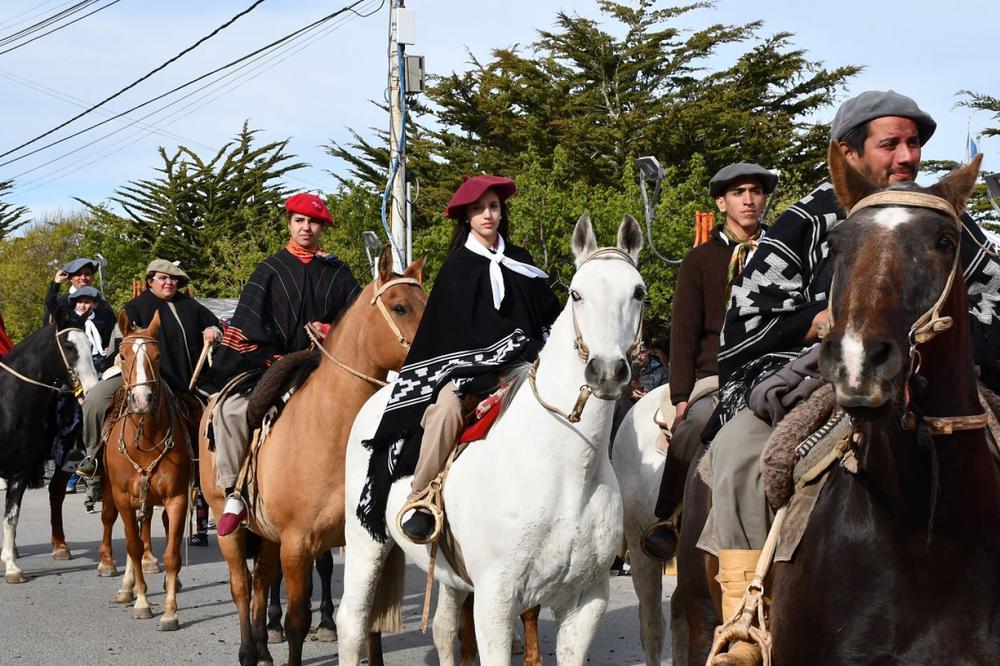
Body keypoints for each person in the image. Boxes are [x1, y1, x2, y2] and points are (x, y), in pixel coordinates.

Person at [704, 90, 1000, 661]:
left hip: (937, 380)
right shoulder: (804, 220)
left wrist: (950, 334)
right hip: (822, 375)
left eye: (914, 142)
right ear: (847, 153)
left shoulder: (944, 215)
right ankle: (744, 621)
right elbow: (747, 320)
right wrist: (816, 322)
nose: (908, 156)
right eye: (890, 143)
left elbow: (996, 302)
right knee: (740, 454)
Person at [356, 175, 561, 544]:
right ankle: (422, 495)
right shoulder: (456, 269)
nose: (488, 215)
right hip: (471, 372)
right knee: (448, 409)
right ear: (467, 217)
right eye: (479, 209)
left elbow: (549, 313)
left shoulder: (521, 262)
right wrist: (515, 343)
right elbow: (461, 330)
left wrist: (544, 345)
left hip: (531, 366)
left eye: (494, 207)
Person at [641, 162, 776, 560]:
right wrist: (682, 396)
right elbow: (682, 334)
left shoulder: (781, 252)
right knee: (693, 428)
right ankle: (668, 518)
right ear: (721, 203)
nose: (749, 200)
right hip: (716, 376)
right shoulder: (699, 260)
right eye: (739, 193)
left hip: (775, 370)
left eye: (755, 191)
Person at [210, 193, 361, 536]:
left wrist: (330, 329)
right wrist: (272, 355)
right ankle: (234, 490)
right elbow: (248, 323)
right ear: (289, 224)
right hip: (272, 361)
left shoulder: (338, 272)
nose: (306, 228)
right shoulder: (270, 269)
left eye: (313, 222)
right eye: (299, 221)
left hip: (329, 364)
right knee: (230, 409)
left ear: (322, 227)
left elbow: (358, 321)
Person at [75, 260, 221, 478]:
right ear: (150, 280)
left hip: (190, 380)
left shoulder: (192, 306)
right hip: (139, 377)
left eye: (173, 279)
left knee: (221, 409)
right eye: (163, 278)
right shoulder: (134, 308)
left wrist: (213, 330)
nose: (169, 282)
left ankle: (216, 466)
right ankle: (92, 455)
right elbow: (118, 346)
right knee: (95, 400)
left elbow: (216, 325)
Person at [44, 257, 115, 355]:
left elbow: (111, 330)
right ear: (70, 278)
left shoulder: (102, 304)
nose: (83, 278)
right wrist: (56, 283)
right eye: (78, 274)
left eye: (87, 274)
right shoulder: (61, 302)